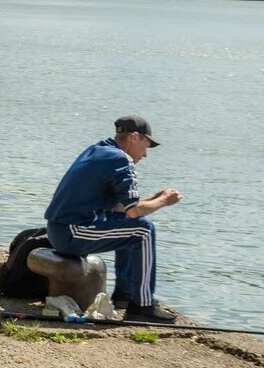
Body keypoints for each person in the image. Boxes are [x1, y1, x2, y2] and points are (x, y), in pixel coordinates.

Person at [43, 115, 182, 323]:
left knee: (130, 226)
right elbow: (134, 211)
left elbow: (122, 207)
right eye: (146, 145)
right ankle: (142, 306)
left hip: (61, 230)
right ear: (134, 137)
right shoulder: (121, 159)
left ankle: (125, 297)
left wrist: (153, 199)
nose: (145, 154)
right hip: (73, 232)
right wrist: (164, 200)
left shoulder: (98, 151)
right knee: (142, 230)